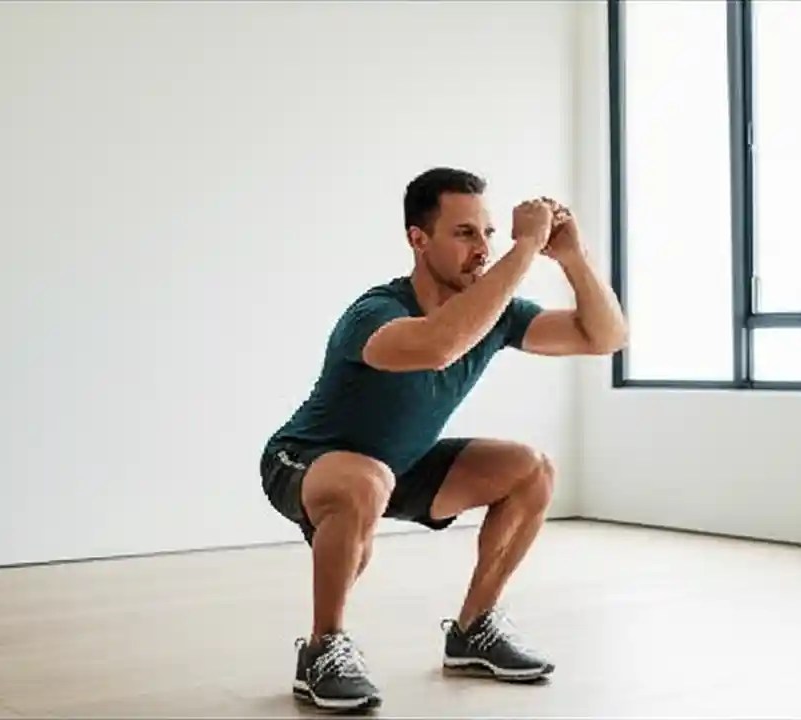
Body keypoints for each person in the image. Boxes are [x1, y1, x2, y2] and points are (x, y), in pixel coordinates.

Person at [259, 167, 628, 711]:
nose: (482, 248)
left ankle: (474, 629)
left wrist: (572, 257)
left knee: (531, 470)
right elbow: (439, 345)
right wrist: (526, 247)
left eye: (487, 233)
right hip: (305, 461)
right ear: (418, 239)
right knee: (364, 481)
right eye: (464, 233)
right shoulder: (376, 312)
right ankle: (322, 650)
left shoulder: (495, 314)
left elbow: (605, 337)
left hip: (401, 466)